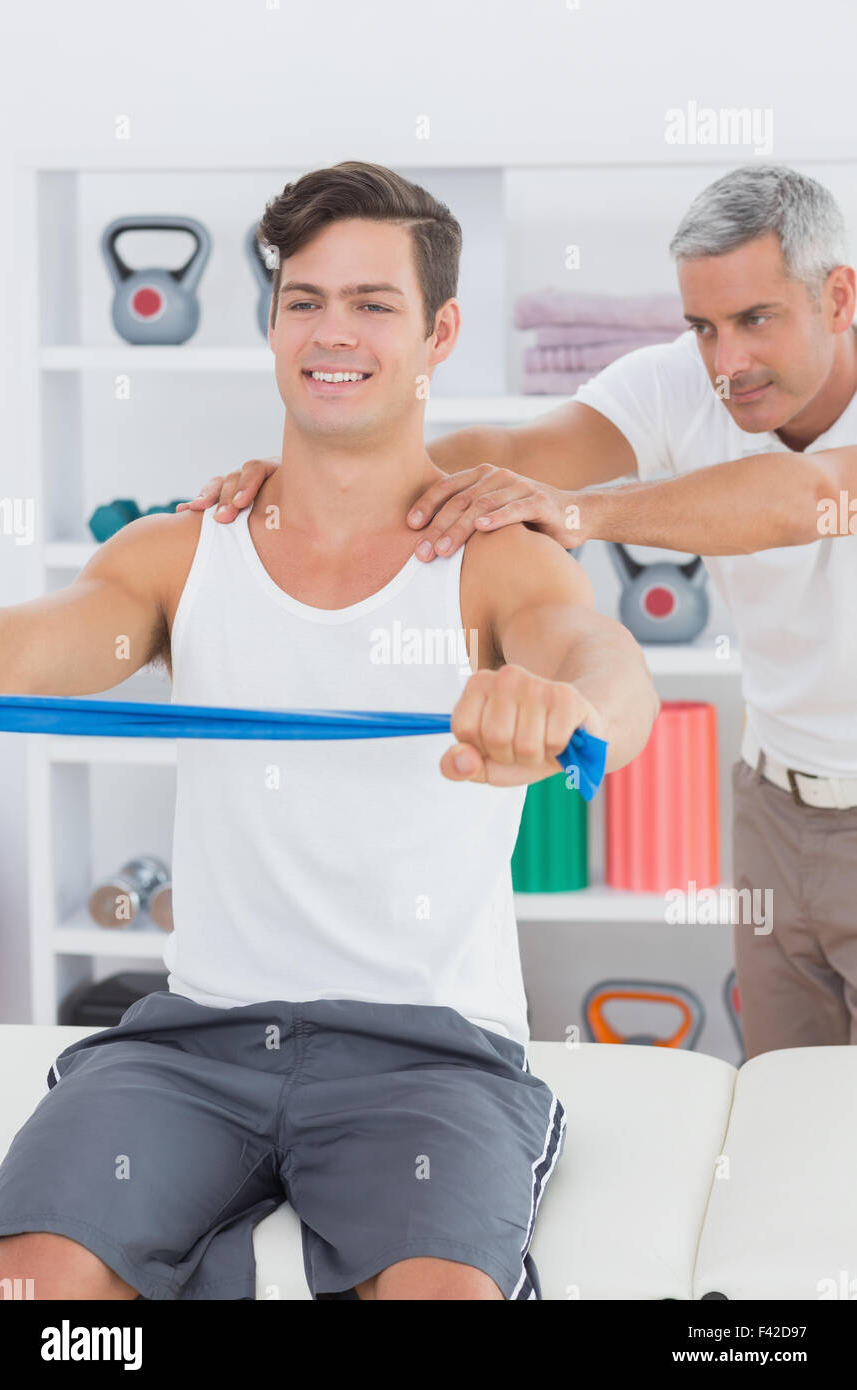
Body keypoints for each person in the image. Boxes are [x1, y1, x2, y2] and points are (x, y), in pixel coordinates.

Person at [0, 161, 657, 1301]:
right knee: (30, 1287)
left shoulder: (497, 558)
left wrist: (564, 708)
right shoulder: (176, 551)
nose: (329, 331)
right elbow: (40, 642)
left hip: (430, 1060)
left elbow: (602, 663)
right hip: (194, 1048)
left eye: (371, 303)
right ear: (270, 321)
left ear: (439, 332)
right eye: (303, 300)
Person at [195, 164, 857, 1063]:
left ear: (838, 296)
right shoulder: (684, 380)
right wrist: (305, 479)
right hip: (773, 806)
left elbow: (807, 494)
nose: (725, 363)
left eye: (754, 321)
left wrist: (588, 510)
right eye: (702, 327)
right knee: (791, 1102)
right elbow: (510, 452)